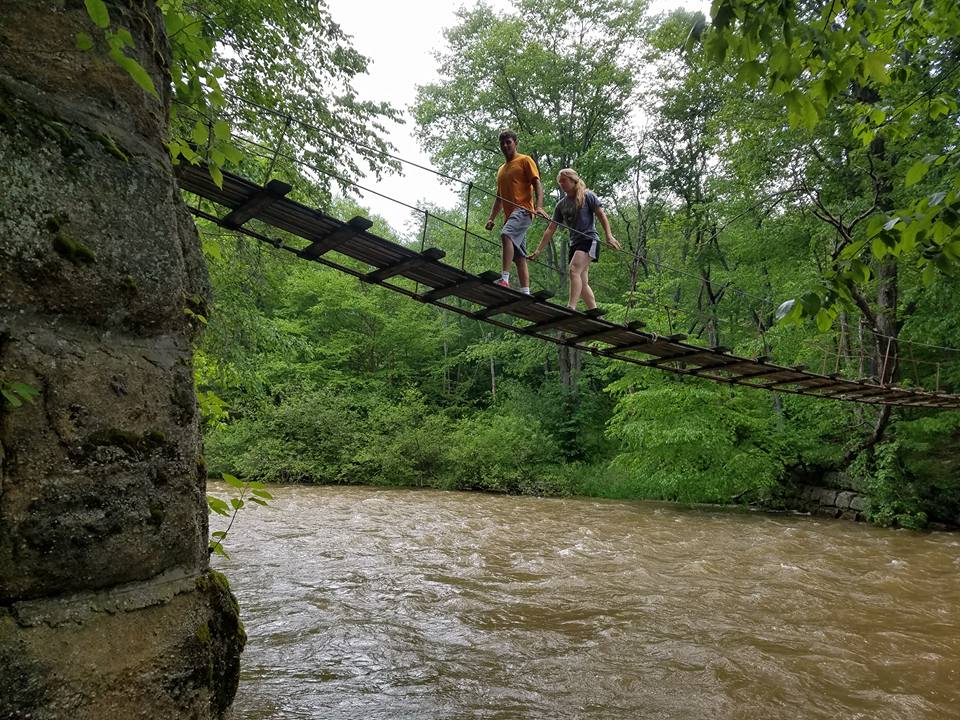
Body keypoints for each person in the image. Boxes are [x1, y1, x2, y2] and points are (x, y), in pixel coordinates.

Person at [530, 168, 622, 310]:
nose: (561, 184)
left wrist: (609, 235)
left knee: (573, 270)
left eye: (564, 181)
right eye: (559, 182)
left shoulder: (587, 196)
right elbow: (551, 229)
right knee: (582, 281)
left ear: (573, 180)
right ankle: (593, 310)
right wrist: (538, 250)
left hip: (589, 239)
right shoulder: (561, 205)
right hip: (575, 244)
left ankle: (571, 307)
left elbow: (601, 215)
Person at [484, 130, 549, 293]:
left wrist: (539, 207)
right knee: (519, 256)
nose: (505, 146)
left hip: (524, 210)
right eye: (503, 143)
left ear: (515, 143)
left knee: (506, 235)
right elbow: (499, 197)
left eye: (509, 142)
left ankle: (504, 279)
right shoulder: (501, 170)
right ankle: (525, 291)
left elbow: (537, 184)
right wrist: (491, 218)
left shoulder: (525, 160)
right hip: (510, 216)